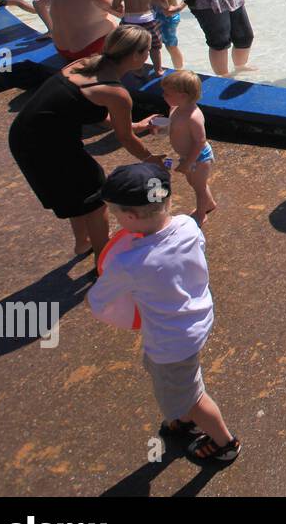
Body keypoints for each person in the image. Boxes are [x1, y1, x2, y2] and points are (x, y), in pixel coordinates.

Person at [87, 162, 240, 463]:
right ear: (166, 200)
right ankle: (185, 417)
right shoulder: (187, 224)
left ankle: (225, 443)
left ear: (130, 217)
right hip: (196, 317)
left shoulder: (127, 264)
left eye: (116, 214)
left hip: (171, 341)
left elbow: (98, 301)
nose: (116, 220)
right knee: (171, 378)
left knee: (193, 397)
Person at [8, 26, 163, 260]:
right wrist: (151, 160)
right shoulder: (116, 93)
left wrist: (136, 125)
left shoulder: (83, 65)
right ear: (135, 56)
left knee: (76, 190)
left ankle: (83, 243)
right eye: (147, 51)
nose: (149, 55)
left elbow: (92, 114)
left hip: (25, 134)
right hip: (45, 145)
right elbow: (125, 139)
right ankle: (103, 262)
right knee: (95, 194)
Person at [154, 69, 218, 224]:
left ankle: (201, 214)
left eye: (167, 93)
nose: (163, 95)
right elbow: (172, 127)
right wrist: (159, 127)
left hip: (199, 159)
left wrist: (188, 162)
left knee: (199, 188)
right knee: (194, 183)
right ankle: (209, 203)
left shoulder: (193, 117)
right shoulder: (175, 109)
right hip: (185, 157)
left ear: (182, 96)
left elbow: (200, 141)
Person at [108, 0, 171, 76]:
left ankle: (138, 70)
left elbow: (115, 6)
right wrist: (166, 8)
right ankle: (158, 70)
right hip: (149, 21)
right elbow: (164, 2)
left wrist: (119, 6)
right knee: (154, 47)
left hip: (129, 22)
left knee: (132, 48)